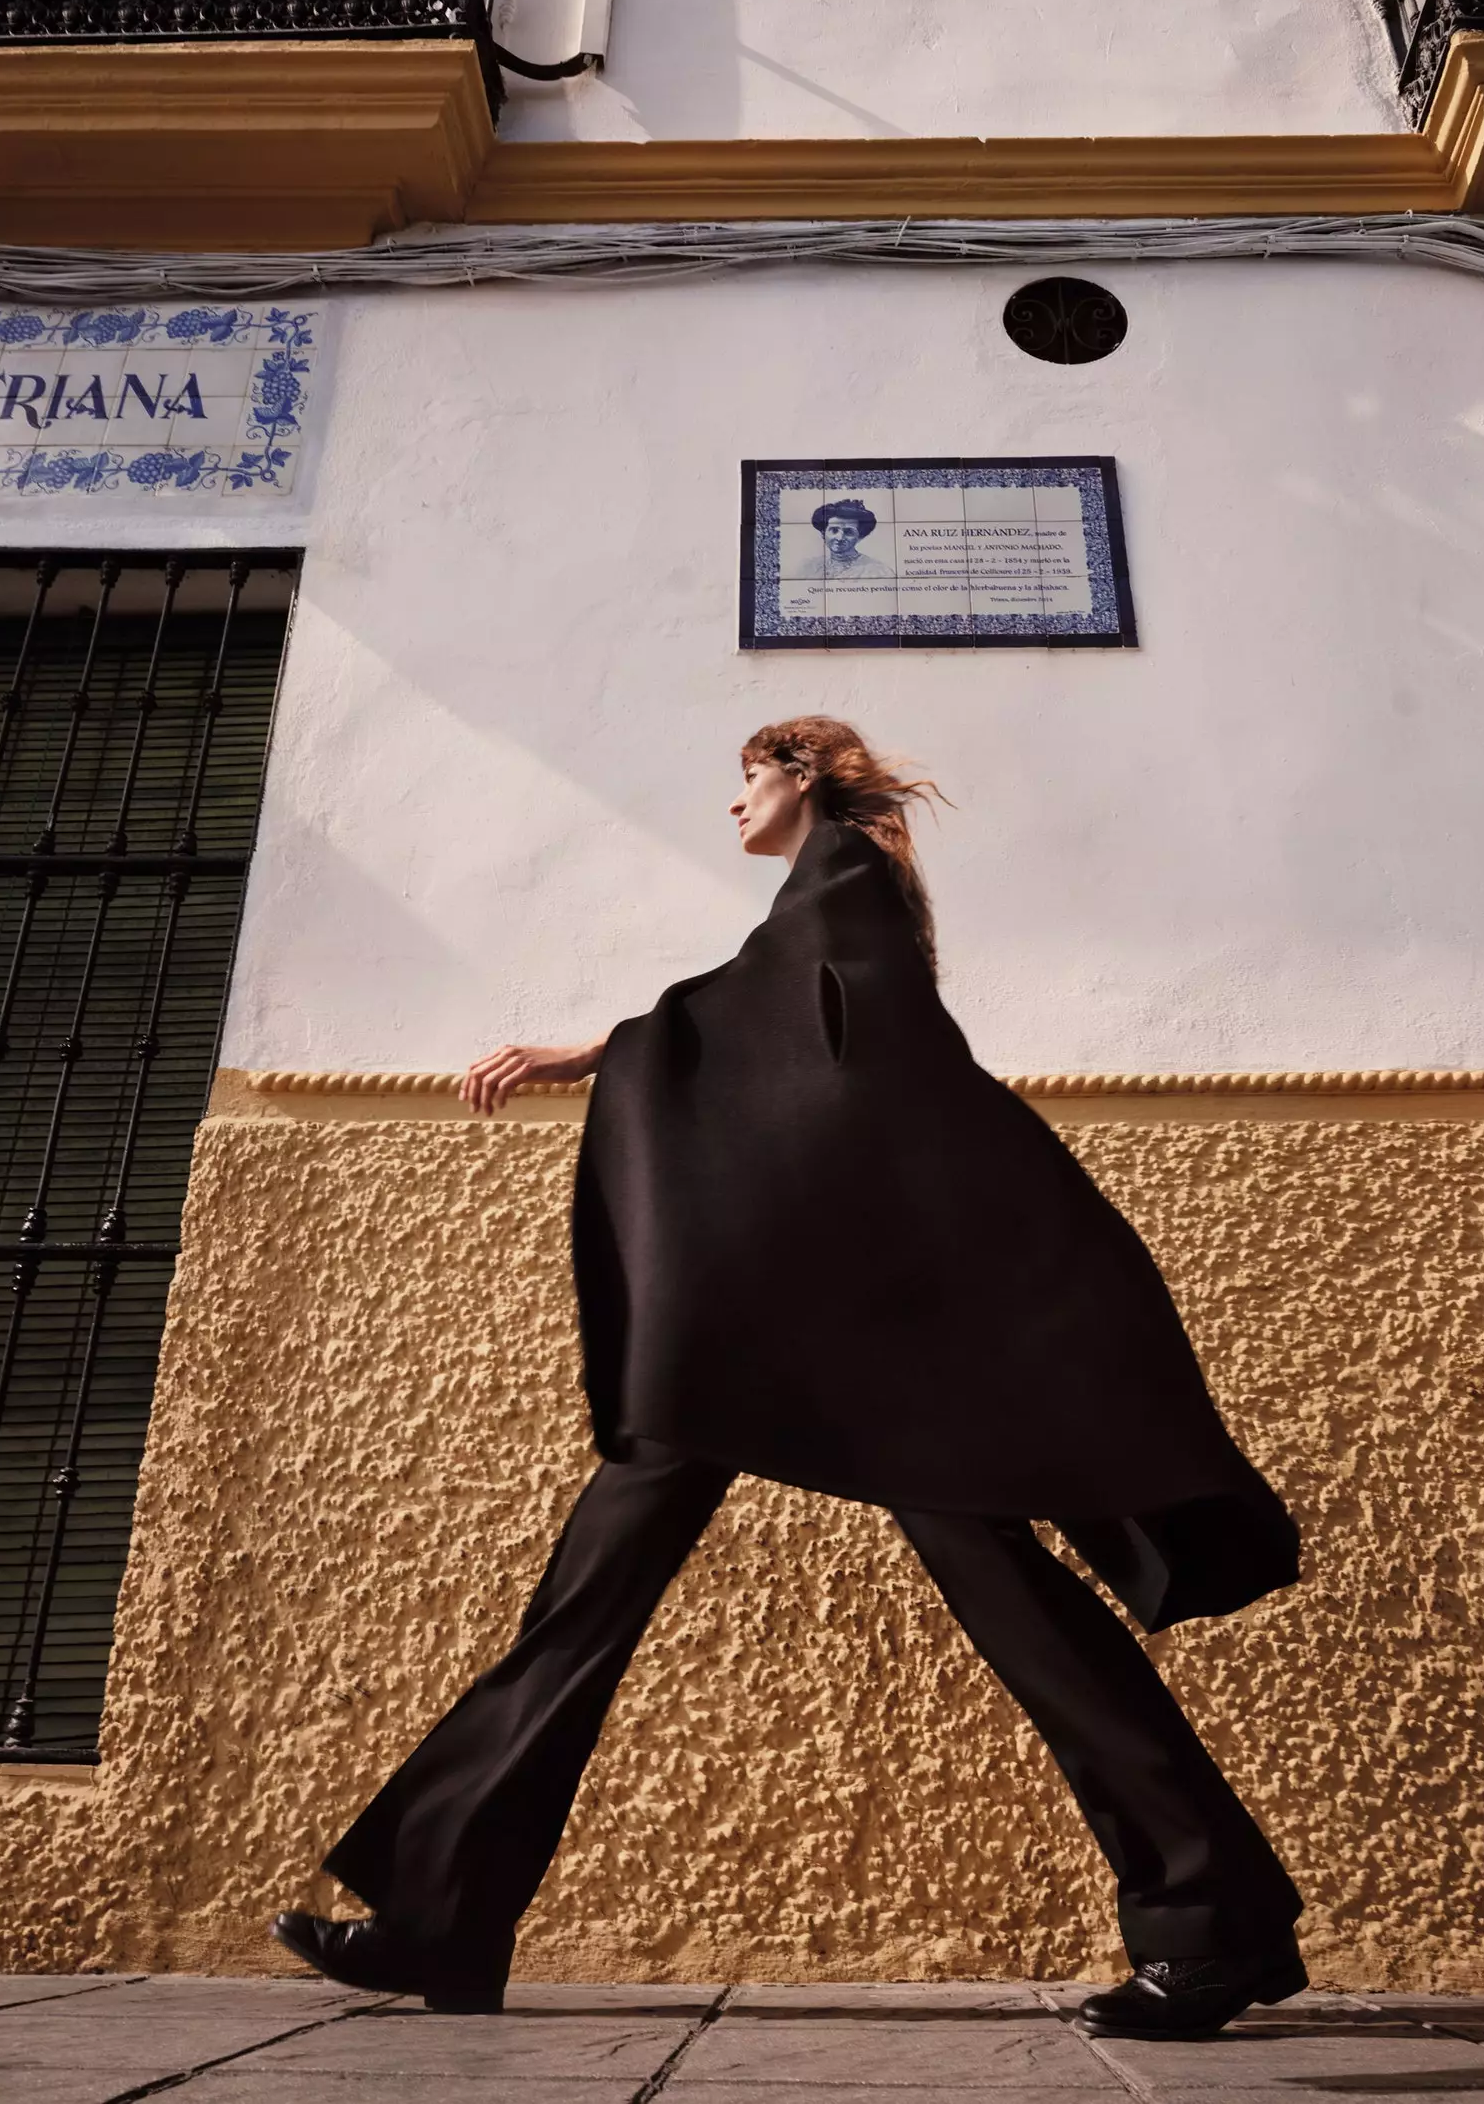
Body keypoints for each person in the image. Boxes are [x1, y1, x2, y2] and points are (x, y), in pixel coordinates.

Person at [273, 716, 1308, 2038]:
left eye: (746, 780)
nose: (733, 807)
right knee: (587, 1598)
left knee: (1025, 1617)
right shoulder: (818, 907)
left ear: (801, 776)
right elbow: (763, 1041)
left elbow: (813, 1066)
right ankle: (441, 1908)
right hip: (767, 1343)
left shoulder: (850, 887)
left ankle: (1210, 1926)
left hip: (879, 1355)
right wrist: (617, 1049)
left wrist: (591, 1050)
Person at [813, 498, 893, 577]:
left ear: (860, 536)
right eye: (834, 530)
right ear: (823, 533)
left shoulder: (879, 571)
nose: (840, 538)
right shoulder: (811, 567)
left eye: (849, 532)